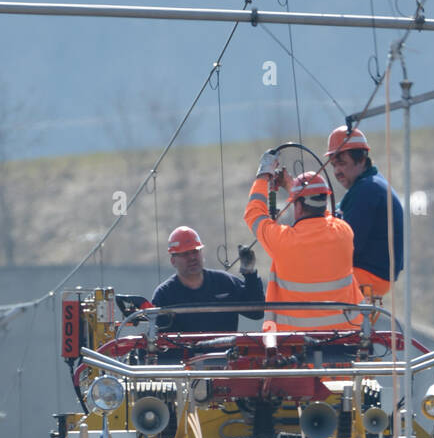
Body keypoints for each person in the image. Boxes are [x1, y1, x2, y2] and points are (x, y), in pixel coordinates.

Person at [243, 152, 361, 333]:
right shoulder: (344, 232)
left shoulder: (282, 240)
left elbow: (254, 214)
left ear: (297, 206)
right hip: (345, 337)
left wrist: (263, 175)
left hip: (293, 343)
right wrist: (295, 189)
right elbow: (325, 217)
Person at [325, 127, 403, 297]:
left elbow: (348, 245)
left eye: (342, 163)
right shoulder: (371, 185)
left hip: (367, 275)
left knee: (305, 278)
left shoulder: (367, 191)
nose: (337, 171)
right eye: (334, 165)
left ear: (361, 160)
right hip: (376, 276)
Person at [151, 226, 265, 334]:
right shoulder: (164, 294)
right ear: (173, 261)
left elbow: (256, 312)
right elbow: (158, 338)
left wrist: (249, 273)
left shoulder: (224, 282)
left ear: (201, 253)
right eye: (185, 254)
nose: (192, 258)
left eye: (195, 251)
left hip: (225, 354)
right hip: (184, 355)